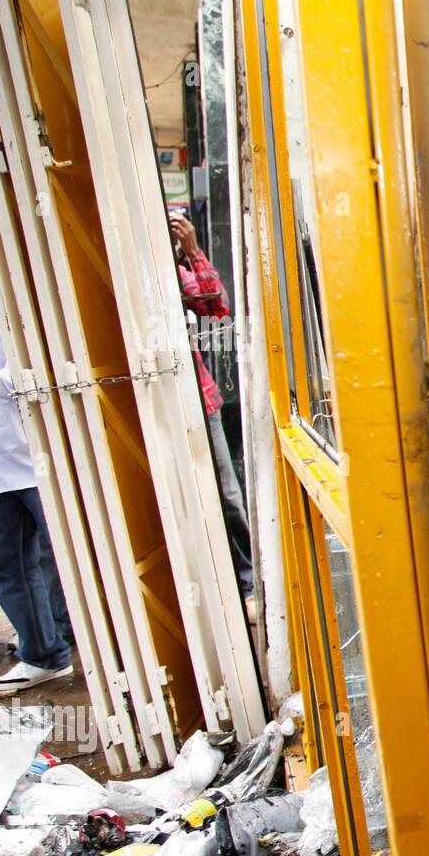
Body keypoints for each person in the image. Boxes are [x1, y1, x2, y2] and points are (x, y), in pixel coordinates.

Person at [169, 213, 256, 622]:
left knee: (228, 497)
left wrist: (192, 250)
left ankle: (249, 583)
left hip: (200, 400)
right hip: (161, 404)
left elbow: (217, 310)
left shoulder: (180, 265)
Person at [0, 324, 74, 695]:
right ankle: (44, 656)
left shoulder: (13, 297)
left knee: (80, 553)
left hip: (41, 455)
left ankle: (128, 648)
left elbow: (42, 370)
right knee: (9, 567)